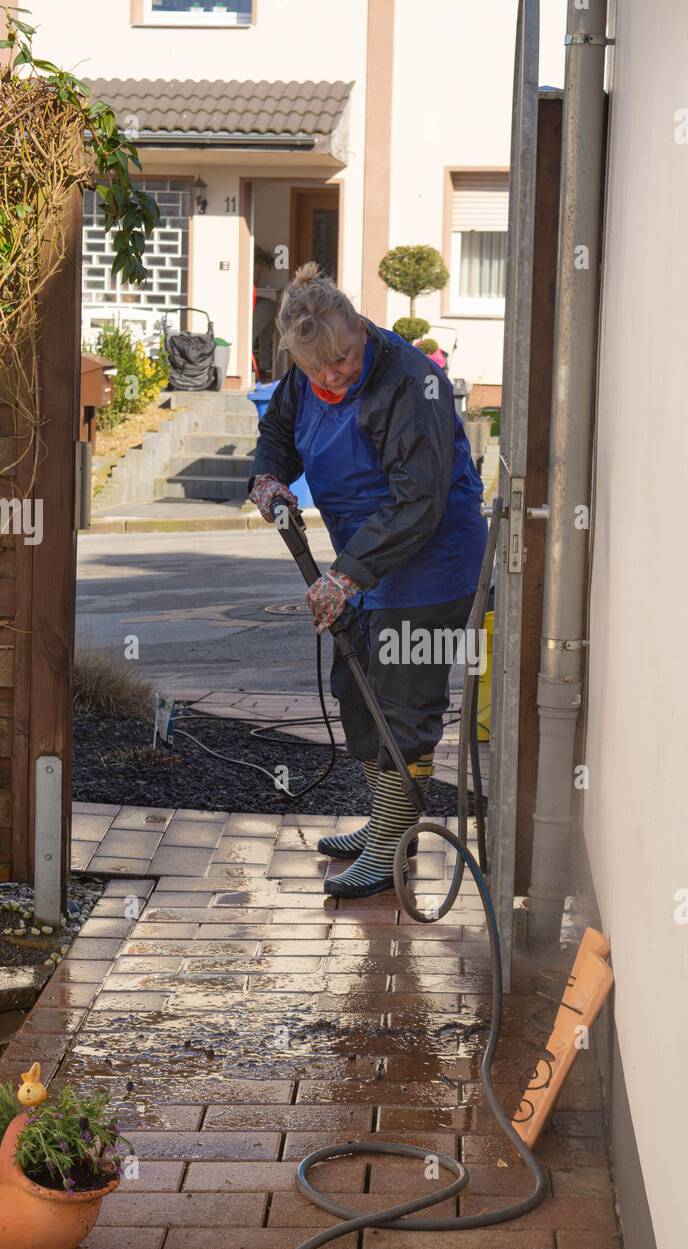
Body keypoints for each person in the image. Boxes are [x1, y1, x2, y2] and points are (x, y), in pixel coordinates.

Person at [248, 262, 487, 899]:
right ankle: (386, 820)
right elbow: (277, 436)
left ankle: (391, 845)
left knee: (403, 700)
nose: (337, 373)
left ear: (359, 326)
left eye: (346, 355)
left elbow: (418, 502)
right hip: (364, 560)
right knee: (356, 684)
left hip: (431, 560)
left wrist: (347, 576)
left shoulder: (412, 381)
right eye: (321, 366)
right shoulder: (306, 379)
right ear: (297, 359)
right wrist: (269, 478)